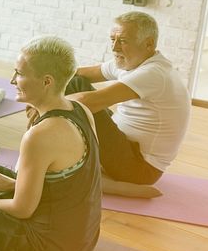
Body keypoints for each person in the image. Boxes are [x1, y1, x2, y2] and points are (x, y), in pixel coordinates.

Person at [0, 36, 102, 251]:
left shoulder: (41, 135)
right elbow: (69, 185)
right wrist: (13, 184)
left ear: (46, 81)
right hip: (83, 240)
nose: (12, 80)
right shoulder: (80, 109)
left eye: (19, 73)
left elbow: (22, 209)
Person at [65, 11, 189, 198]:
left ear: (149, 44)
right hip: (125, 149)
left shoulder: (155, 73)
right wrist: (44, 77)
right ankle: (89, 171)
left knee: (77, 103)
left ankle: (89, 174)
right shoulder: (129, 61)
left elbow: (87, 102)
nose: (115, 47)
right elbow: (77, 74)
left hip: (139, 169)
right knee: (73, 83)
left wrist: (40, 102)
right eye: (112, 39)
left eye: (123, 41)